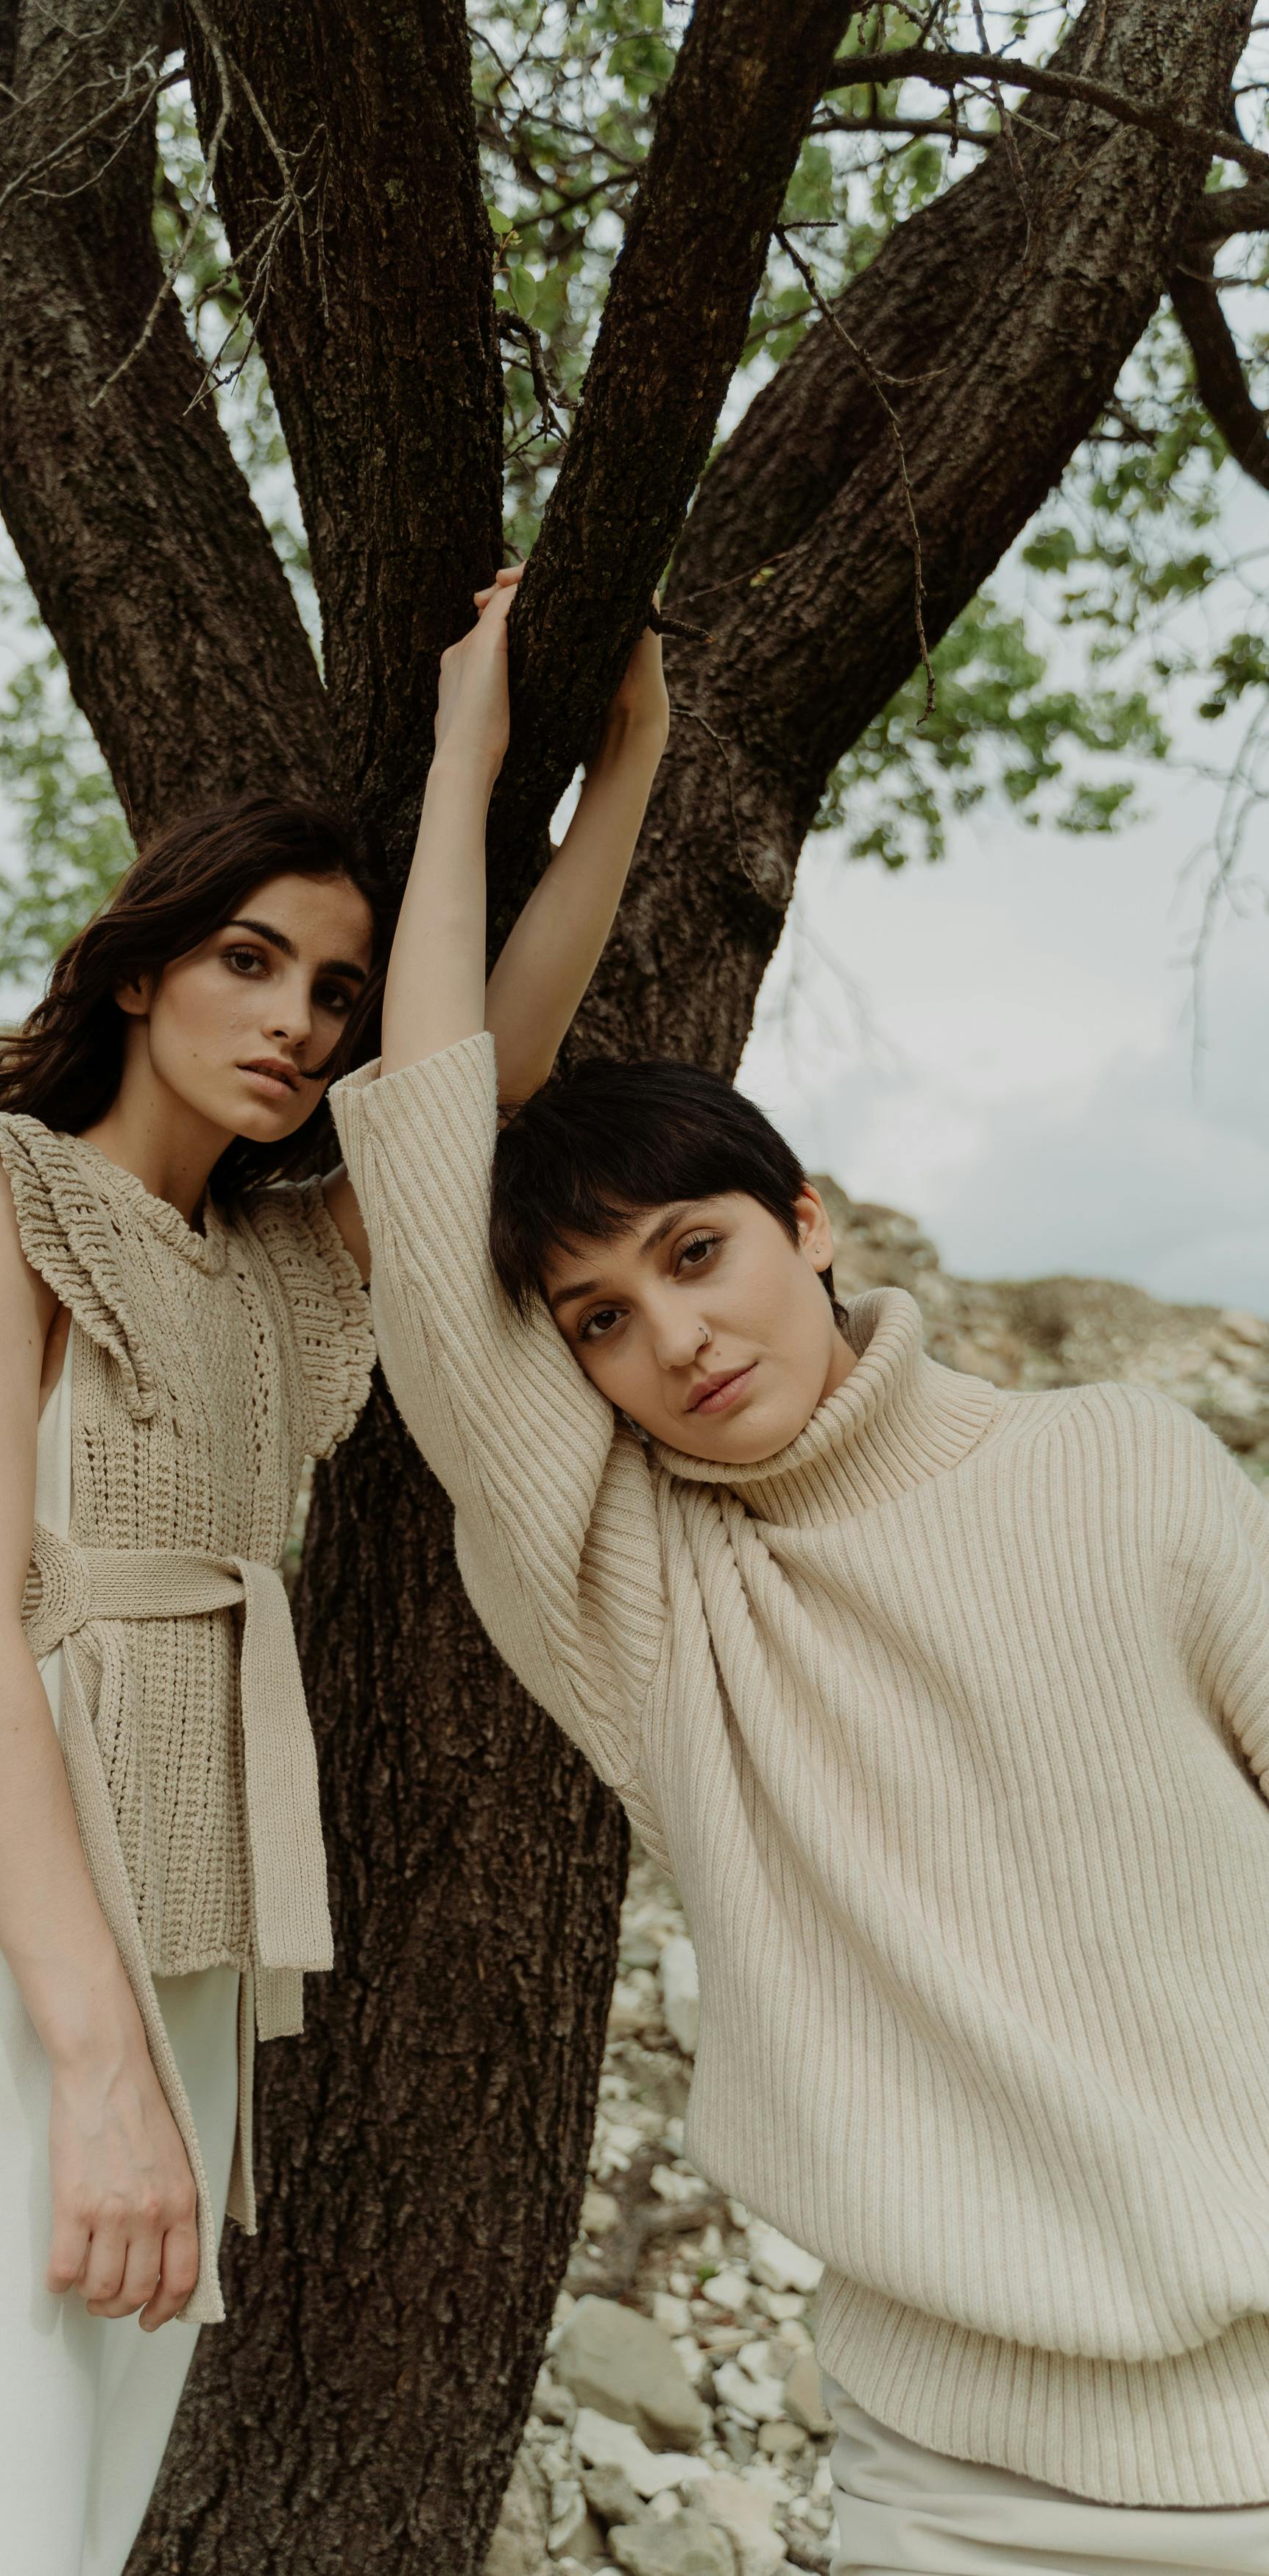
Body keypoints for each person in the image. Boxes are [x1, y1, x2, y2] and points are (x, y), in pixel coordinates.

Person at [330, 572, 1269, 2573]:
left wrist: (655, 750)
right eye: (591, 1319)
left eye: (694, 1252)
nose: (666, 1335)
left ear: (806, 1219)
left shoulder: (1132, 1471)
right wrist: (486, 761)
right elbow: (420, 1186)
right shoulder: (646, 1598)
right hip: (960, 2490)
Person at [0, 657, 665, 2572]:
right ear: (143, 964)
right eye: (252, 960)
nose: (303, 1021)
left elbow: (472, 1081)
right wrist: (96, 2073)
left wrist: (588, 766)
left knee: (56, 2532)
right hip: (0, 1965)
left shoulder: (268, 1262)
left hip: (176, 1956)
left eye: (331, 989)